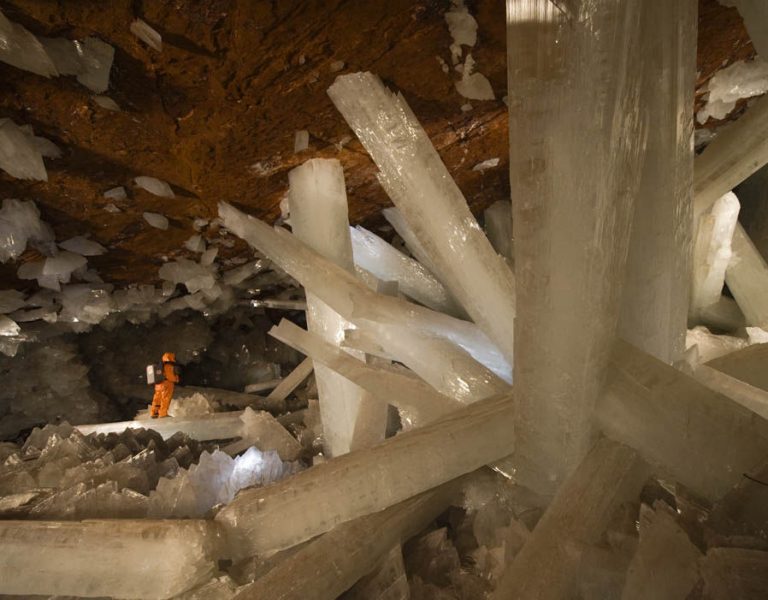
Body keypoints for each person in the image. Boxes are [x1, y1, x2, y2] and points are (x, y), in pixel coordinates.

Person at [150, 352, 180, 418]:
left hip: (158, 384)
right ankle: (163, 414)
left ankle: (154, 412)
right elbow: (170, 376)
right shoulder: (169, 366)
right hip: (166, 384)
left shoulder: (160, 365)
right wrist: (176, 379)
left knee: (157, 399)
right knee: (165, 399)